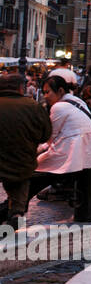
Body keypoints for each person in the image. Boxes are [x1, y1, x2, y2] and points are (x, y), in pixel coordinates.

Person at [26, 75, 91, 220]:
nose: (45, 96)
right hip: (85, 153)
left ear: (60, 91)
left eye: (47, 92)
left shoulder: (59, 106)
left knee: (34, 171)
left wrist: (34, 151)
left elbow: (49, 136)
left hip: (68, 153)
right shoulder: (77, 101)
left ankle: (13, 209)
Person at [0, 72, 53, 230]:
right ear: (20, 87)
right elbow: (46, 135)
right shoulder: (33, 106)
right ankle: (17, 214)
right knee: (19, 184)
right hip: (21, 160)